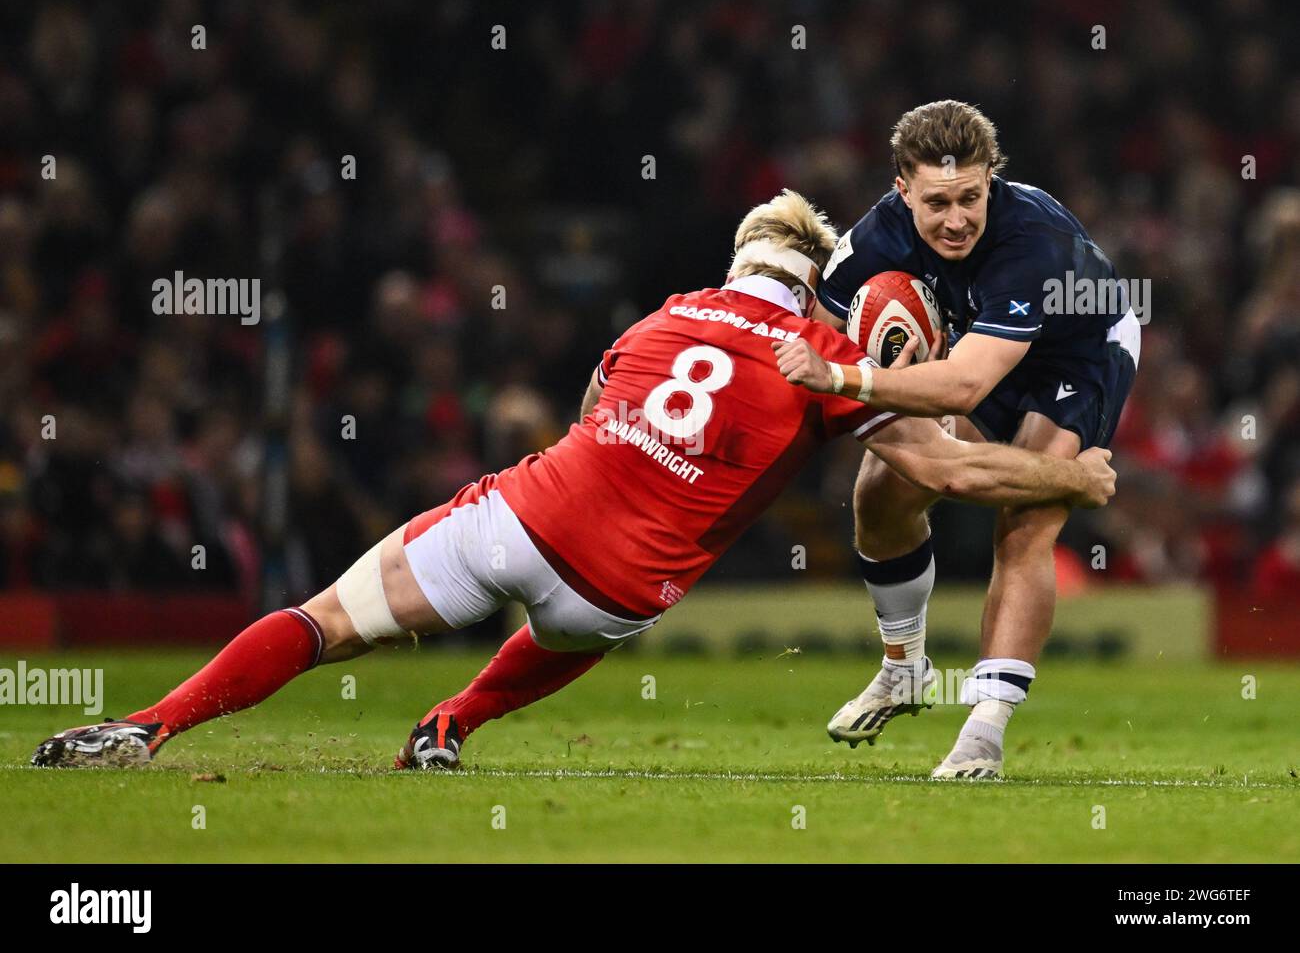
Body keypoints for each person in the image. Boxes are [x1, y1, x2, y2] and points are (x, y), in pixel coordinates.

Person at [31, 189, 1115, 770]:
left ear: (737, 258)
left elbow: (598, 417)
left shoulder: (655, 317)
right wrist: (1068, 477)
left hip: (525, 517)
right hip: (621, 592)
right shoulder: (822, 364)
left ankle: (151, 725)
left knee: (324, 620)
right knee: (568, 625)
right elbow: (947, 467)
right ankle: (451, 723)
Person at [773, 100, 1140, 779]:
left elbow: (965, 386)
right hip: (979, 346)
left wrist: (850, 379)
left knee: (1025, 515)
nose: (957, 219)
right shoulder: (875, 237)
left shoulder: (1031, 241)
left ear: (991, 180)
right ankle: (905, 670)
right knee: (881, 493)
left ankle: (984, 732)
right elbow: (810, 330)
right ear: (901, 189)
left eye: (971, 197)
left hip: (1077, 355)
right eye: (937, 202)